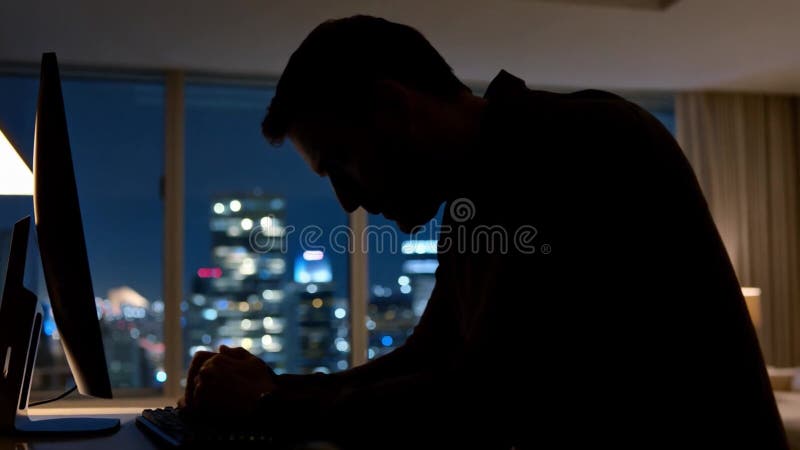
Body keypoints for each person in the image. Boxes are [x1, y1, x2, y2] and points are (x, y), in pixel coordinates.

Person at [179, 15, 788, 449]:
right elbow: (433, 358)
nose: (348, 201)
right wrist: (270, 389)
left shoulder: (577, 147)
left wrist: (268, 403)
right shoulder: (485, 189)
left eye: (341, 161)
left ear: (393, 107)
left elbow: (485, 396)